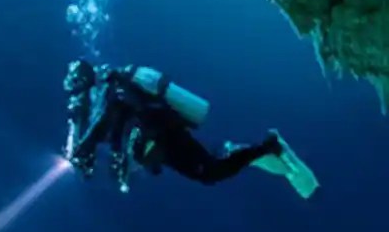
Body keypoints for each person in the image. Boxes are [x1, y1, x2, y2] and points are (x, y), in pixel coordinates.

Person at [61, 59, 298, 194]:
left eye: (77, 93)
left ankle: (265, 147)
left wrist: (83, 149)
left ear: (83, 83)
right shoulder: (100, 101)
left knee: (210, 173)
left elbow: (106, 118)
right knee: (208, 172)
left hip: (165, 134)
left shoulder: (108, 88)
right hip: (158, 143)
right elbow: (110, 131)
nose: (77, 101)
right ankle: (233, 151)